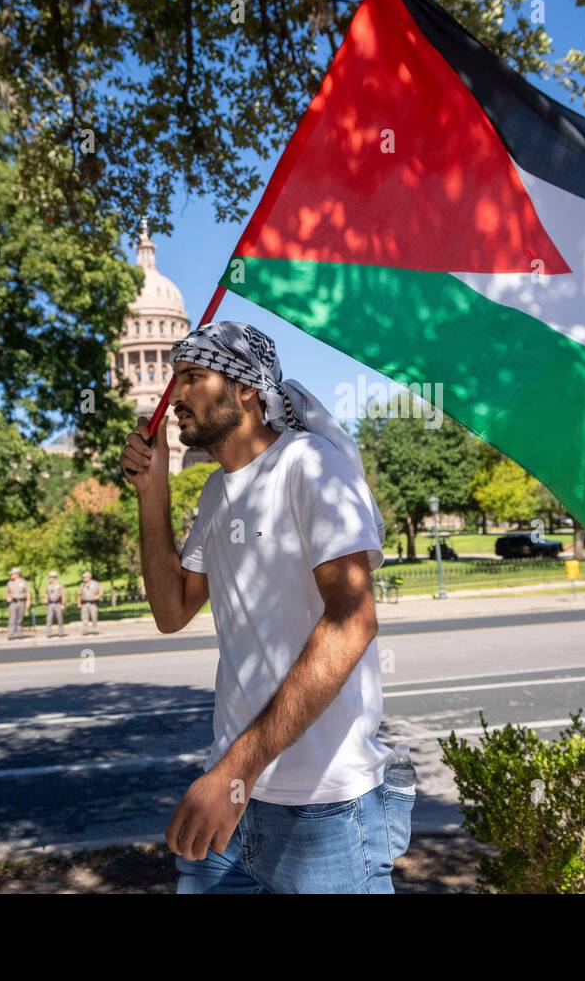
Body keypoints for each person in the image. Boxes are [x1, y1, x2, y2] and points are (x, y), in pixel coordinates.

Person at [122, 321, 411, 894]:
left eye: (193, 377)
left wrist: (233, 770)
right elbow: (171, 610)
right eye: (175, 378)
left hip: (323, 808)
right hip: (234, 803)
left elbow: (352, 623)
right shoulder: (214, 493)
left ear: (245, 389)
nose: (174, 395)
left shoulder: (310, 466)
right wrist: (152, 495)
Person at [5, 567, 31, 639]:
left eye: (12, 574)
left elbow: (28, 592)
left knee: (20, 618)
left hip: (21, 602)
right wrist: (8, 597)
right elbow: (7, 592)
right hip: (13, 602)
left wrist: (28, 601)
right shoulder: (9, 583)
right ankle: (11, 634)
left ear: (17, 574)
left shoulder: (23, 582)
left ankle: (19, 634)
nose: (11, 575)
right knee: (12, 618)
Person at [44, 570, 67, 637]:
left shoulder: (59, 585)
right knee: (49, 619)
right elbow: (46, 594)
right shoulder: (48, 586)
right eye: (49, 577)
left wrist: (63, 604)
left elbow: (63, 594)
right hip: (50, 604)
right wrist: (45, 599)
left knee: (59, 618)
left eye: (50, 577)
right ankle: (48, 633)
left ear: (53, 577)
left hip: (58, 603)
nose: (49, 578)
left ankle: (61, 632)